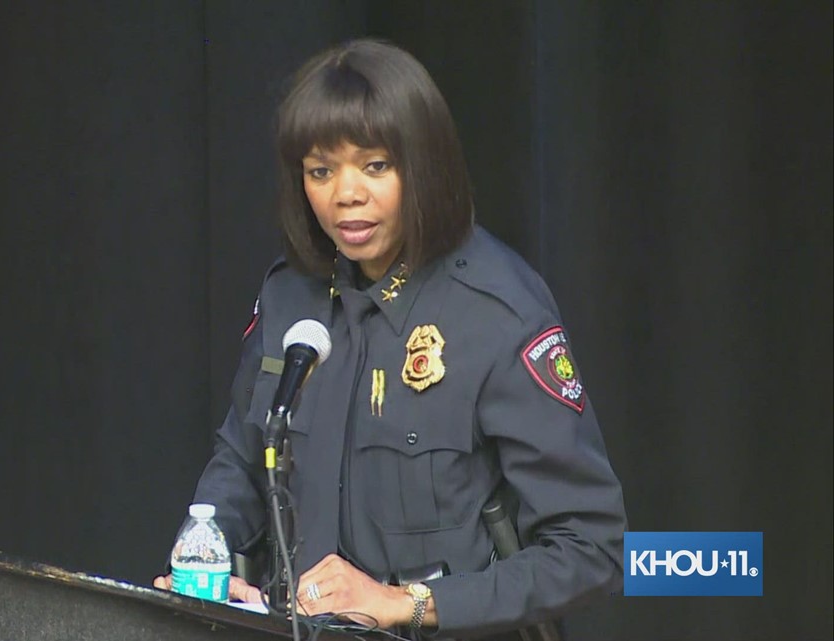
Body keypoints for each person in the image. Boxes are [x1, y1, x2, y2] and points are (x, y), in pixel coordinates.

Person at [154, 39, 626, 639]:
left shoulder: (496, 313)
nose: (346, 194)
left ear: (425, 166)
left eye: (375, 165)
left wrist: (407, 602)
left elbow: (591, 550)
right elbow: (245, 460)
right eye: (321, 171)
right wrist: (207, 563)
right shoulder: (291, 296)